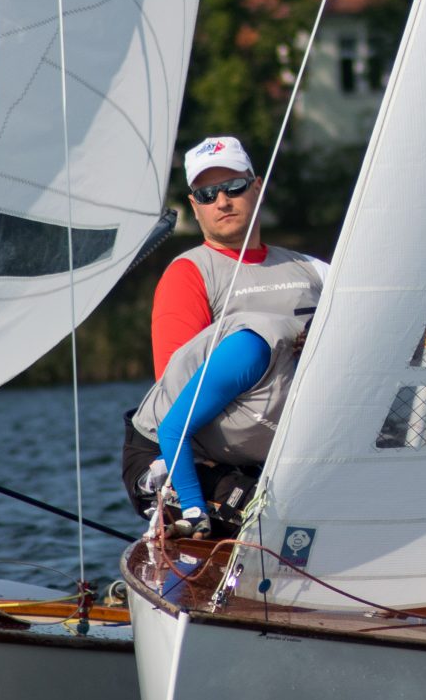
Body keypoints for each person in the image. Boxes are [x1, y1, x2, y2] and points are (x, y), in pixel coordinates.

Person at [119, 137, 327, 533]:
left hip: (288, 449)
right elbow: (175, 395)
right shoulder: (190, 273)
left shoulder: (312, 269)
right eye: (207, 193)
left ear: (257, 187)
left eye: (233, 187)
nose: (222, 201)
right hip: (191, 454)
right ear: (194, 206)